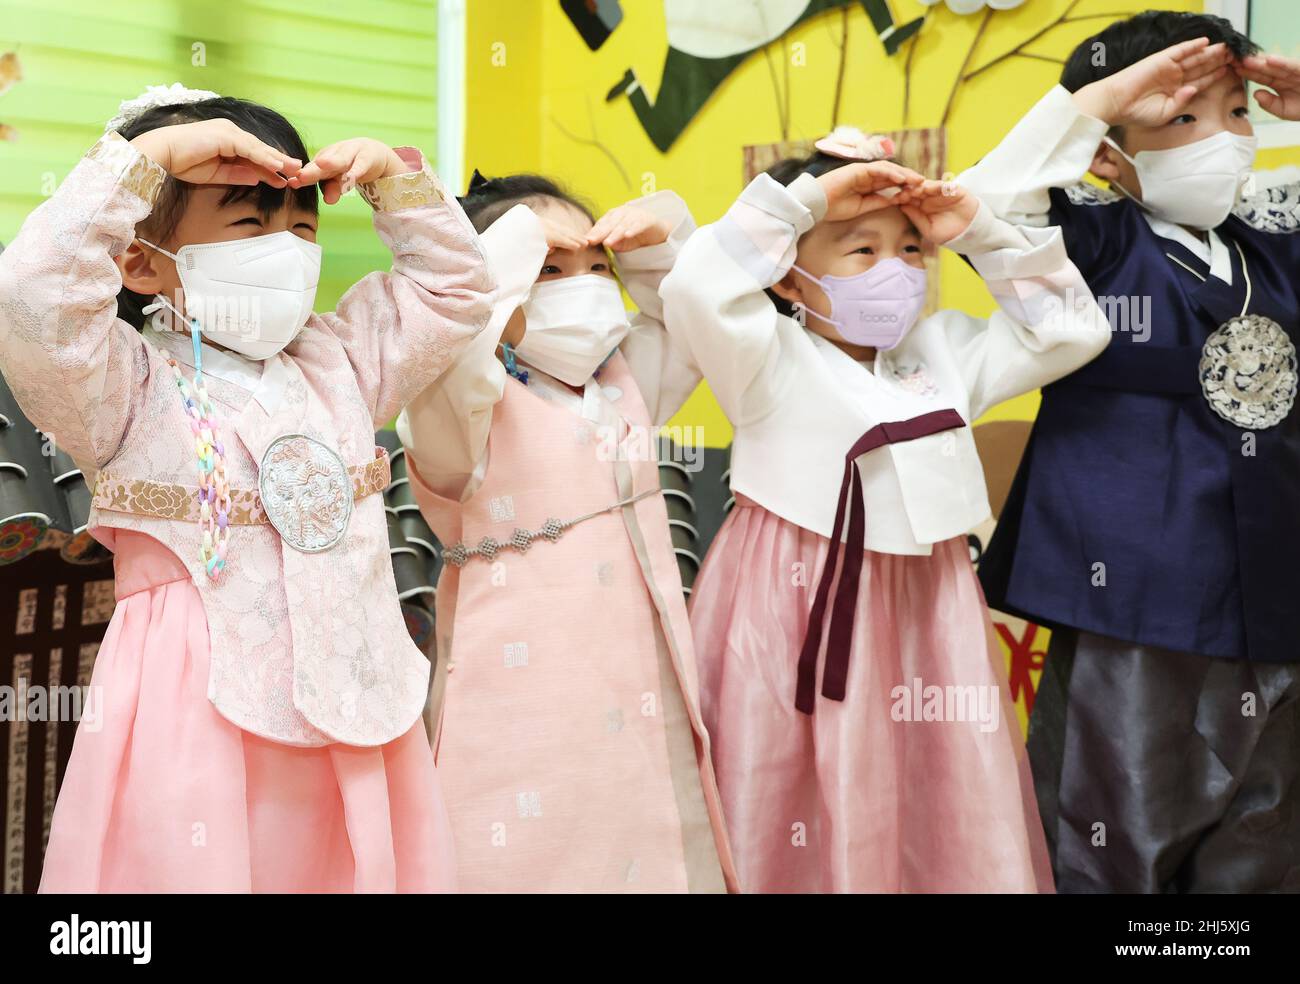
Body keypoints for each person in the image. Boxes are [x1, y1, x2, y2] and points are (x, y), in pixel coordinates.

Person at [0, 83, 496, 892]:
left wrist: (394, 185)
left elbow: (456, 290)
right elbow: (33, 299)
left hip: (355, 702)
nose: (286, 245)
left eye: (302, 224)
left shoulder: (344, 362)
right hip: (192, 704)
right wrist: (148, 161)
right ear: (140, 260)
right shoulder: (121, 385)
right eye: (247, 221)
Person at [659, 126, 1110, 892]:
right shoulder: (762, 354)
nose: (894, 271)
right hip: (794, 595)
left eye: (909, 251)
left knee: (936, 770)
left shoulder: (945, 354)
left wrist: (980, 231)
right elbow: (693, 288)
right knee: (786, 770)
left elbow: (1075, 328)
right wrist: (806, 200)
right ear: (792, 280)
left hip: (929, 603)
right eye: (860, 250)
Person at [958, 11, 1300, 892]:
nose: (1223, 141)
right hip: (1134, 603)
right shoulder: (1092, 249)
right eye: (1181, 119)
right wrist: (1090, 104)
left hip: (1275, 597)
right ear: (1109, 155)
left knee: (1264, 843)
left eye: (1236, 113)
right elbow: (985, 208)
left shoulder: (1276, 250)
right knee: (1116, 840)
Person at [397, 172, 736, 892]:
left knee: (647, 841)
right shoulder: (455, 406)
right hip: (520, 700)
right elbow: (452, 352)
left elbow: (699, 312)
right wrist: (506, 250)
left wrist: (662, 236)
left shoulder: (624, 381)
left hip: (637, 691)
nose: (581, 287)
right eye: (550, 269)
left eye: (595, 268)